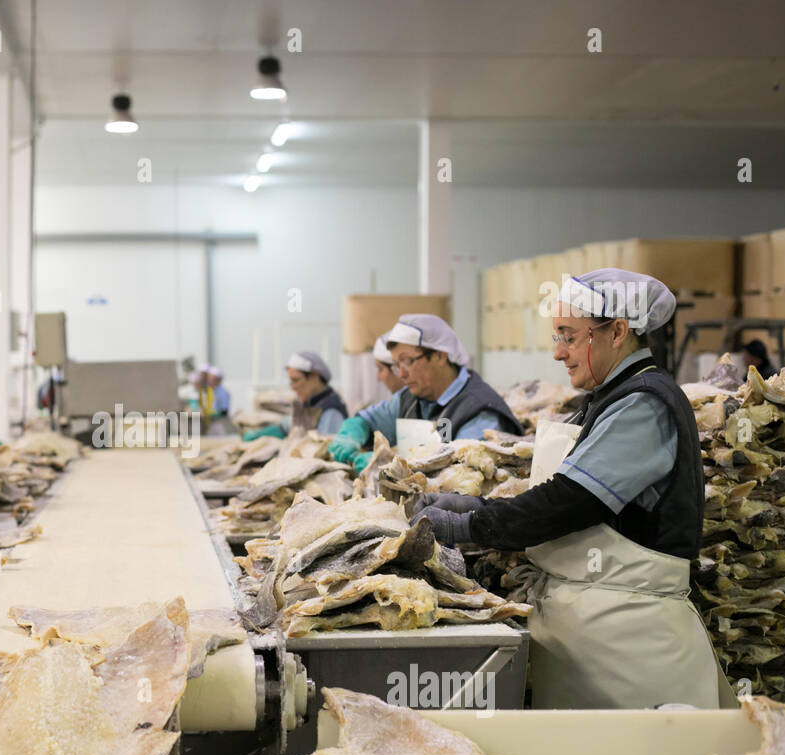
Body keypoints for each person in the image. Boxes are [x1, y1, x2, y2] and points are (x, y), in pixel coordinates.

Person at [411, 269, 734, 710]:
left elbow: (568, 503)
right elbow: (567, 495)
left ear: (618, 331)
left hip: (631, 645)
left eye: (568, 336)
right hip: (595, 632)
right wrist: (478, 503)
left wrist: (468, 525)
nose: (558, 352)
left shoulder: (645, 404)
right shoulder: (609, 398)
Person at [327, 314, 522, 471]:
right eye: (396, 365)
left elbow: (463, 479)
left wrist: (393, 466)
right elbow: (368, 421)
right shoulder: (410, 399)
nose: (401, 374)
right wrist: (352, 434)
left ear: (440, 356)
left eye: (407, 361)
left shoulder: (480, 413)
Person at [242, 351, 348, 439]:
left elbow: (324, 447)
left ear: (314, 376)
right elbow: (286, 426)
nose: (292, 387)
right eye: (291, 381)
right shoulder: (309, 404)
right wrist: (258, 435)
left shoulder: (331, 411)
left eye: (296, 380)